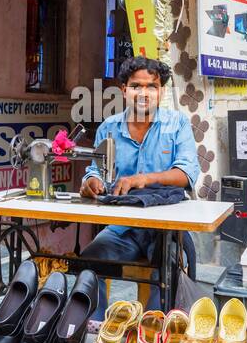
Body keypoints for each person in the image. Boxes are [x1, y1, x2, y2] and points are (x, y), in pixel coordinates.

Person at [79, 56, 200, 313]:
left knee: (168, 268)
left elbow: (187, 174)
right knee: (91, 260)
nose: (144, 93)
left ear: (162, 92)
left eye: (151, 87)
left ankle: (150, 332)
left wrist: (144, 178)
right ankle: (98, 330)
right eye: (136, 86)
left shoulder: (177, 125)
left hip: (165, 229)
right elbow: (95, 170)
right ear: (124, 90)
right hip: (123, 229)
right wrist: (91, 182)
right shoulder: (108, 129)